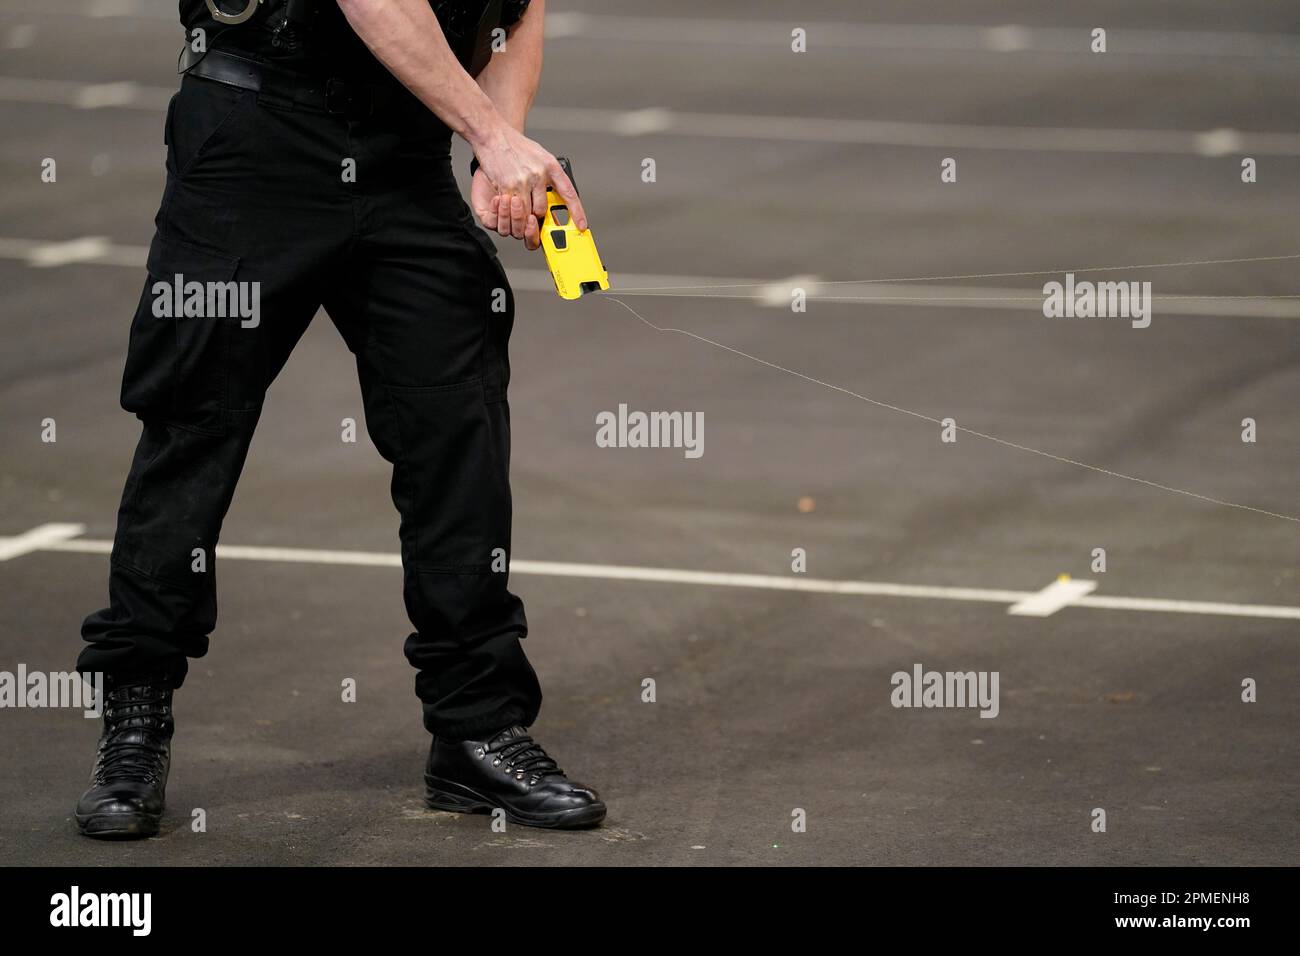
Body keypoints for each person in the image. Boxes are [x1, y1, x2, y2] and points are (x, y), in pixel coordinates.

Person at [73, 0, 606, 837]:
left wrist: (493, 142)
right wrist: (495, 139)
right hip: (254, 136)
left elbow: (515, 11)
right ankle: (135, 724)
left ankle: (475, 730)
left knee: (457, 425)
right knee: (192, 430)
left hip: (404, 150)